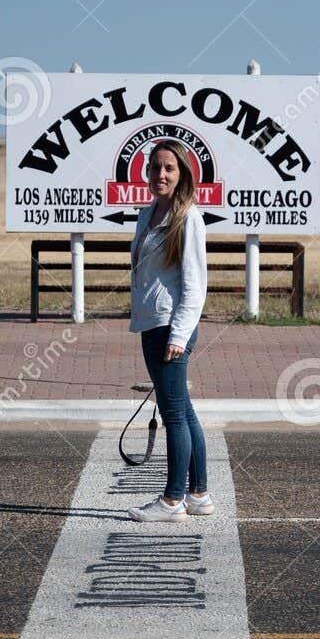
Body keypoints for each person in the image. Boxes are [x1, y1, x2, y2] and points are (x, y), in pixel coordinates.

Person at [127, 140, 214, 522]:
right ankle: (198, 494)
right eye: (155, 167)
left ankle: (172, 500)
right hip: (152, 322)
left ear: (182, 175)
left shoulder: (188, 218)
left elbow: (195, 285)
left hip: (169, 326)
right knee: (183, 411)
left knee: (174, 415)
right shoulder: (148, 213)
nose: (160, 175)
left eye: (169, 168)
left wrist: (179, 337)